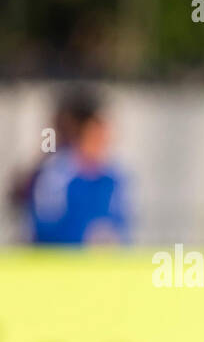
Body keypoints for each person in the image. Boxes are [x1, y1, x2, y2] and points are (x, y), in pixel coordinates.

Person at [25, 88, 130, 244]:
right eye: (96, 134)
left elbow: (121, 224)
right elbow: (43, 227)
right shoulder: (56, 173)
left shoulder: (114, 177)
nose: (103, 141)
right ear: (82, 133)